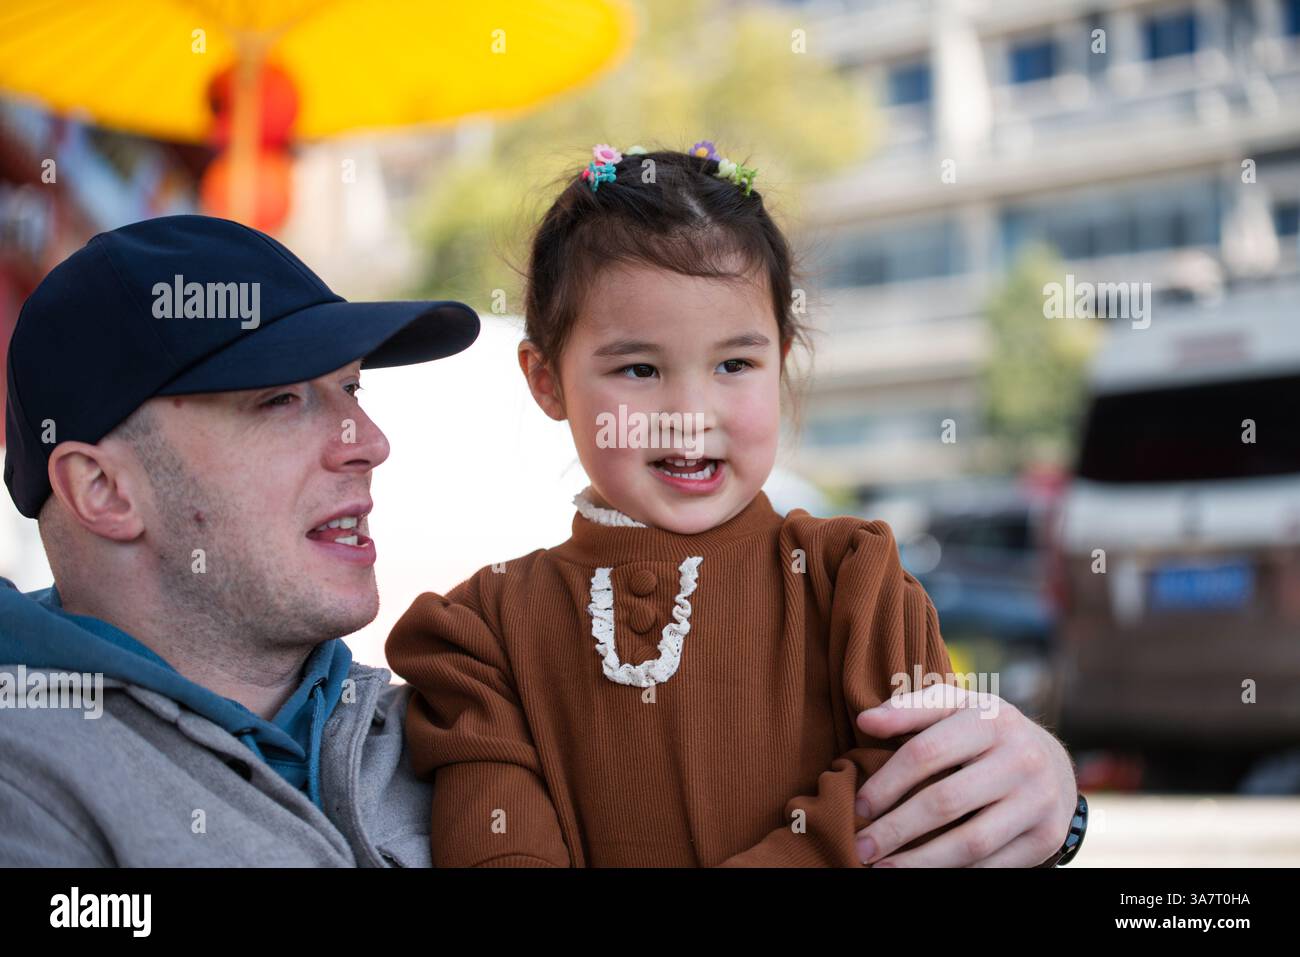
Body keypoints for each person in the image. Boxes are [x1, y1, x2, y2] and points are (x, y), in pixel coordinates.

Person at [386, 143, 1080, 867]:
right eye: (639, 368)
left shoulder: (853, 582)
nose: (691, 413)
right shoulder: (483, 633)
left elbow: (913, 797)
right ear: (546, 380)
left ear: (781, 362)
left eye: (733, 365)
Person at [0, 215, 478, 866]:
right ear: (104, 489)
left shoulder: (459, 728)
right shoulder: (22, 779)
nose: (369, 443)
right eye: (280, 398)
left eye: (351, 387)